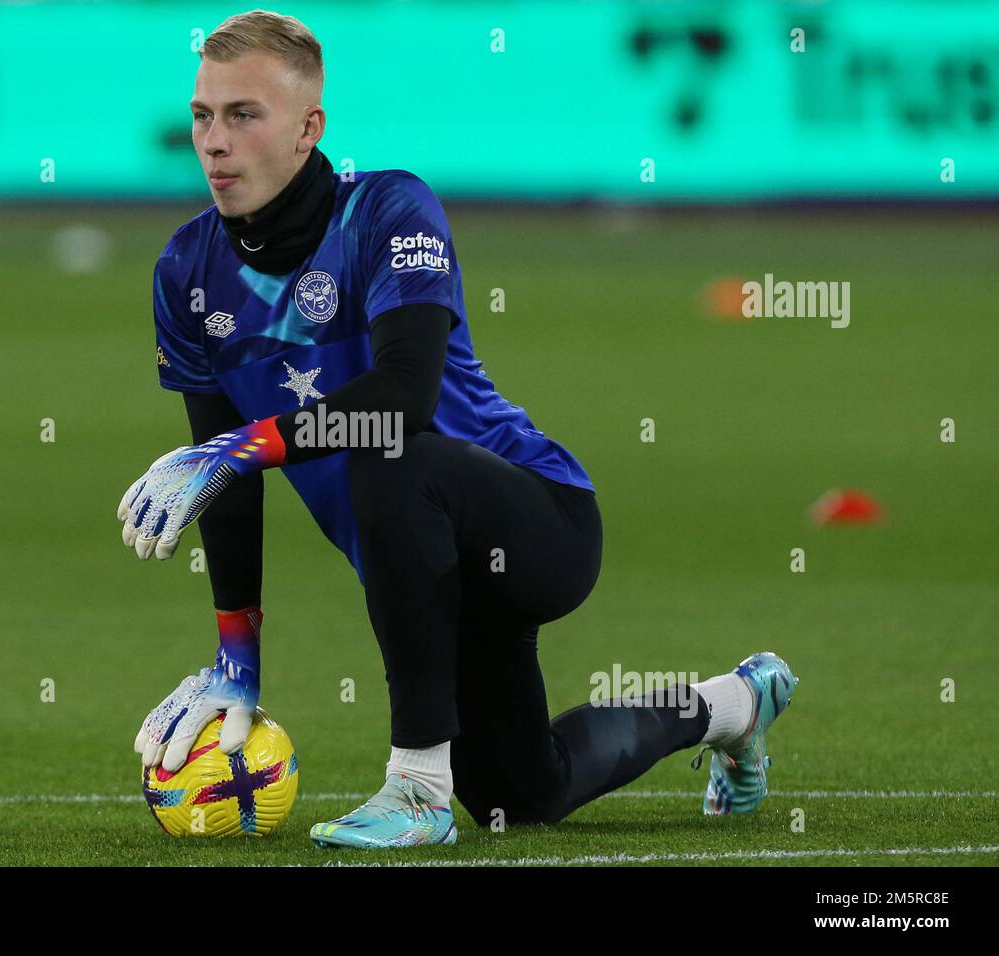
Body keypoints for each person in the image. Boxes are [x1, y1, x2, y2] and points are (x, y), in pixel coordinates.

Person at [119, 10, 797, 848]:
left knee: (381, 447)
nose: (214, 142)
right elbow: (224, 483)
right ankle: (734, 704)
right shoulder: (187, 271)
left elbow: (400, 397)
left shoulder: (389, 211)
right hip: (427, 576)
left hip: (537, 521)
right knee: (524, 792)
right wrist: (236, 664)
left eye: (243, 115)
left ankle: (415, 789)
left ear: (307, 128)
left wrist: (241, 447)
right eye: (202, 116)